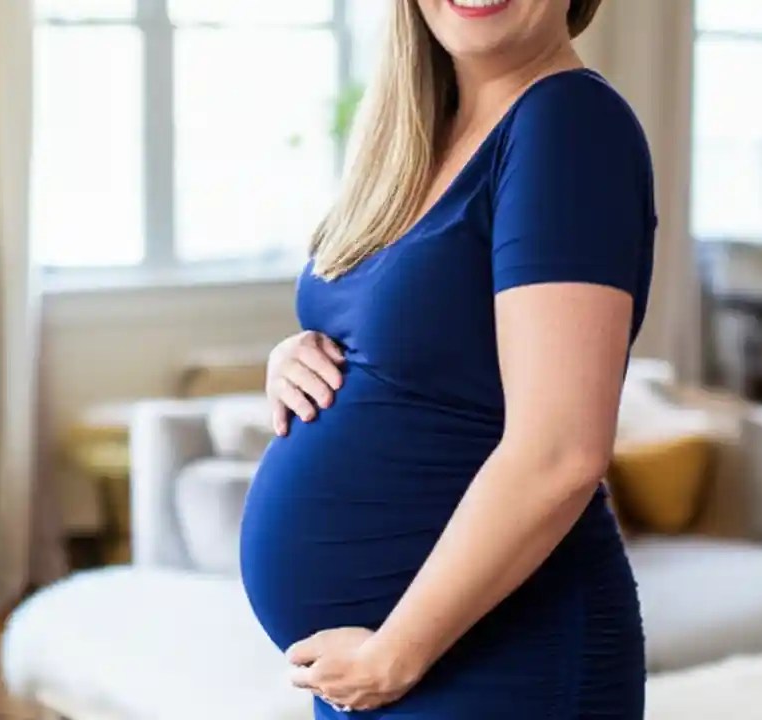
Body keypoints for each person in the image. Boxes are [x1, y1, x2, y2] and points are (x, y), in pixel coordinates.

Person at [239, 0, 656, 716]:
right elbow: (417, 335)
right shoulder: (423, 136)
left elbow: (561, 452)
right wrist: (300, 354)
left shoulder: (568, 125)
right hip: (378, 670)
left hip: (493, 664)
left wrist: (394, 653)